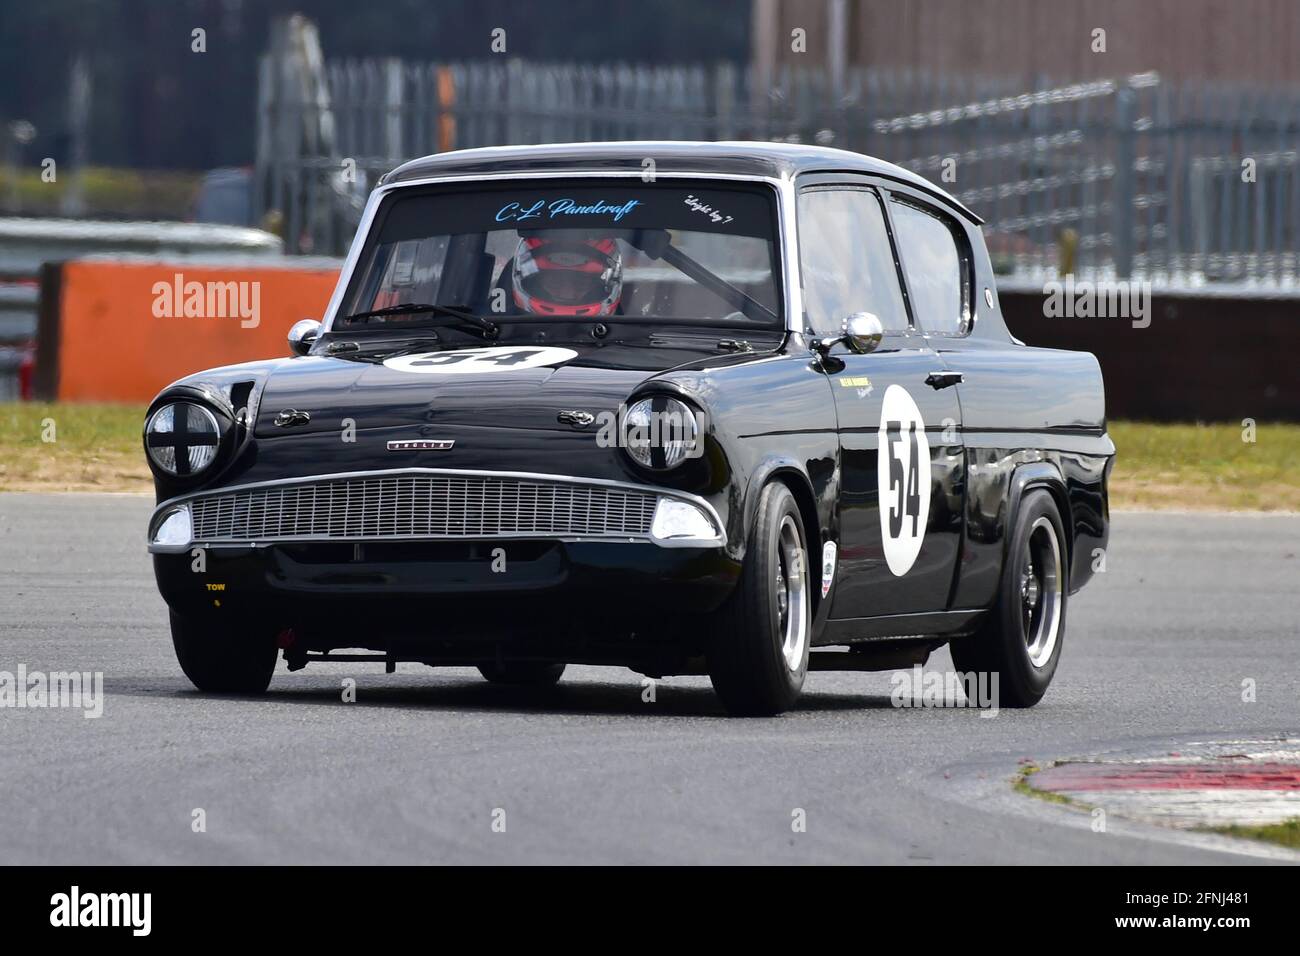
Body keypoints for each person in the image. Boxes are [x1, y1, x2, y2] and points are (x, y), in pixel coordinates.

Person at [510, 234, 623, 317]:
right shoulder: (500, 328)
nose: (567, 294)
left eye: (580, 283)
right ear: (533, 282)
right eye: (555, 281)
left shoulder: (630, 333)